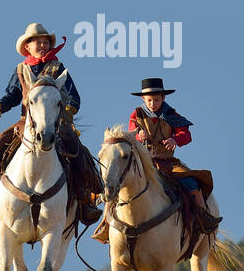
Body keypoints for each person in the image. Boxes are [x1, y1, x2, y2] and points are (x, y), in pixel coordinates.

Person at [0, 23, 102, 224]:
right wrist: (1, 105)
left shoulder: (58, 68)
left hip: (57, 123)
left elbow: (73, 97)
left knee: (77, 151)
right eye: (37, 42)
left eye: (45, 42)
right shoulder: (21, 69)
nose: (42, 45)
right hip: (27, 122)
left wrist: (68, 110)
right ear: (28, 47)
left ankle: (85, 198)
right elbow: (13, 94)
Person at [93, 77, 222, 243]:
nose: (153, 104)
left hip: (168, 162)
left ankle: (203, 218)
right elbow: (132, 133)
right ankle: (106, 224)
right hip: (143, 163)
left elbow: (186, 134)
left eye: (156, 100)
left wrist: (175, 140)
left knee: (192, 183)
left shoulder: (172, 115)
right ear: (143, 99)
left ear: (163, 98)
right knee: (117, 183)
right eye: (149, 100)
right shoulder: (137, 114)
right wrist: (139, 136)